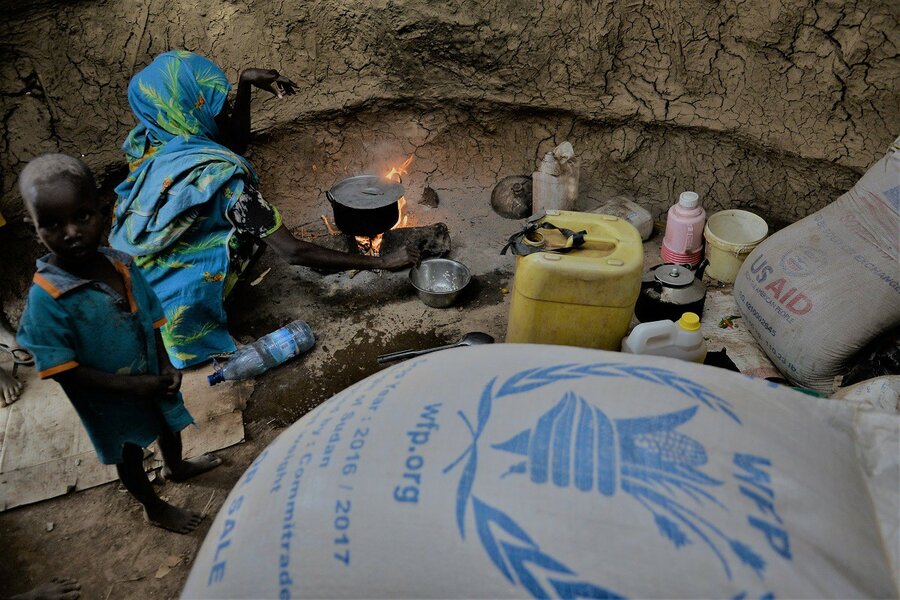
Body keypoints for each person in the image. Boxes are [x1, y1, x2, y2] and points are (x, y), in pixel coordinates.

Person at [109, 50, 420, 369]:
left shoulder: (151, 141)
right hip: (174, 311)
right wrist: (381, 261)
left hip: (136, 282)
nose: (225, 111)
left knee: (247, 228)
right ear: (192, 113)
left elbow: (229, 142)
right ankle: (207, 313)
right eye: (218, 106)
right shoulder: (220, 182)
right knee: (252, 236)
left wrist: (244, 84)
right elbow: (293, 251)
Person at [17, 153, 221, 534]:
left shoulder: (121, 264)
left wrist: (163, 363)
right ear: (35, 229)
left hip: (151, 379)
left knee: (167, 426)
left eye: (82, 216)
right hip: (109, 402)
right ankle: (153, 506)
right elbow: (66, 372)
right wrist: (132, 386)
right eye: (53, 225)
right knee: (128, 454)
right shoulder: (47, 300)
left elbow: (151, 315)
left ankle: (175, 467)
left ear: (102, 210)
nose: (72, 232)